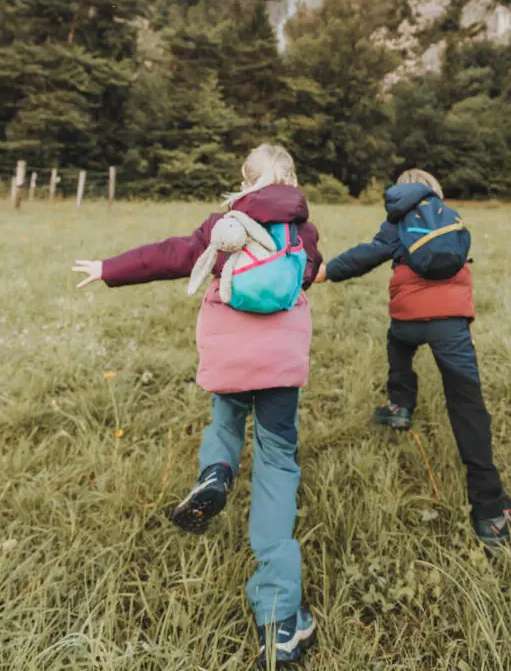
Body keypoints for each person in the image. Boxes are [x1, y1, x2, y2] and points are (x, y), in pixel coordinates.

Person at [73, 145, 320, 667]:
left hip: (229, 355)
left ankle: (216, 471)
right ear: (292, 180)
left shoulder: (222, 224)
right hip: (279, 364)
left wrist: (109, 268)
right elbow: (305, 275)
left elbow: (171, 255)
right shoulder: (303, 231)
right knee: (277, 464)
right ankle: (279, 620)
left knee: (226, 422)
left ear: (245, 181)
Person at [314, 169, 511, 547]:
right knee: (466, 406)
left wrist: (326, 272)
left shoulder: (397, 222)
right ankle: (490, 514)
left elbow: (367, 255)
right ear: (435, 189)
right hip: (451, 328)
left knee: (398, 346)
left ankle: (399, 407)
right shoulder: (448, 217)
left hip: (408, 321)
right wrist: (463, 326)